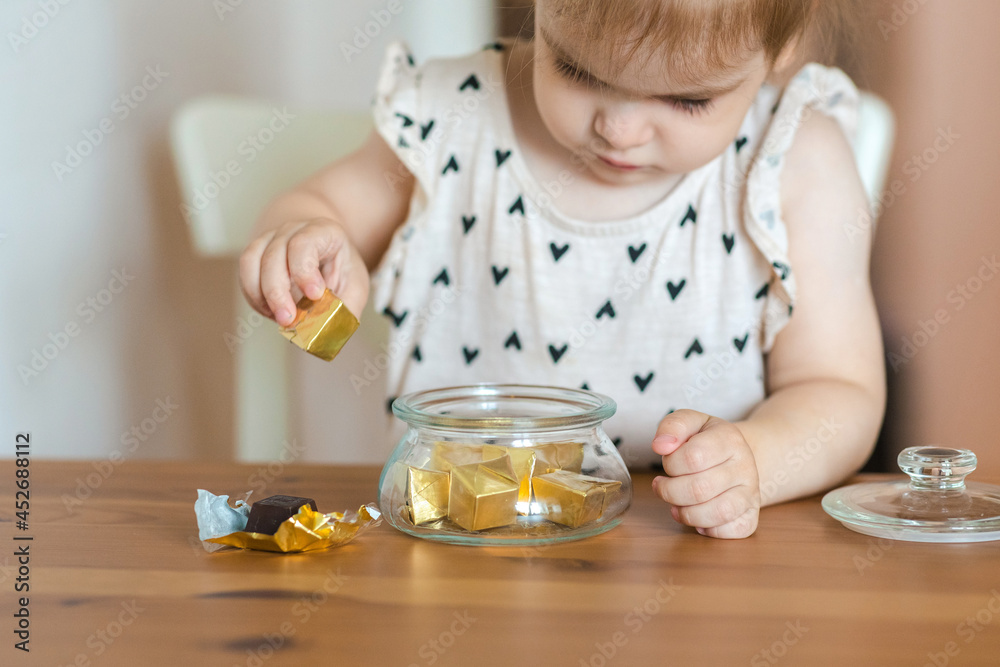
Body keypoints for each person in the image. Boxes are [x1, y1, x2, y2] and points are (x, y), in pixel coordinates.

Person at [239, 0, 884, 539]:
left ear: (779, 49)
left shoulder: (796, 163)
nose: (620, 129)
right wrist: (304, 237)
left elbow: (839, 390)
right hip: (459, 536)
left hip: (683, 553)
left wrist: (758, 462)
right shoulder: (452, 113)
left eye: (686, 100)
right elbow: (323, 207)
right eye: (578, 70)